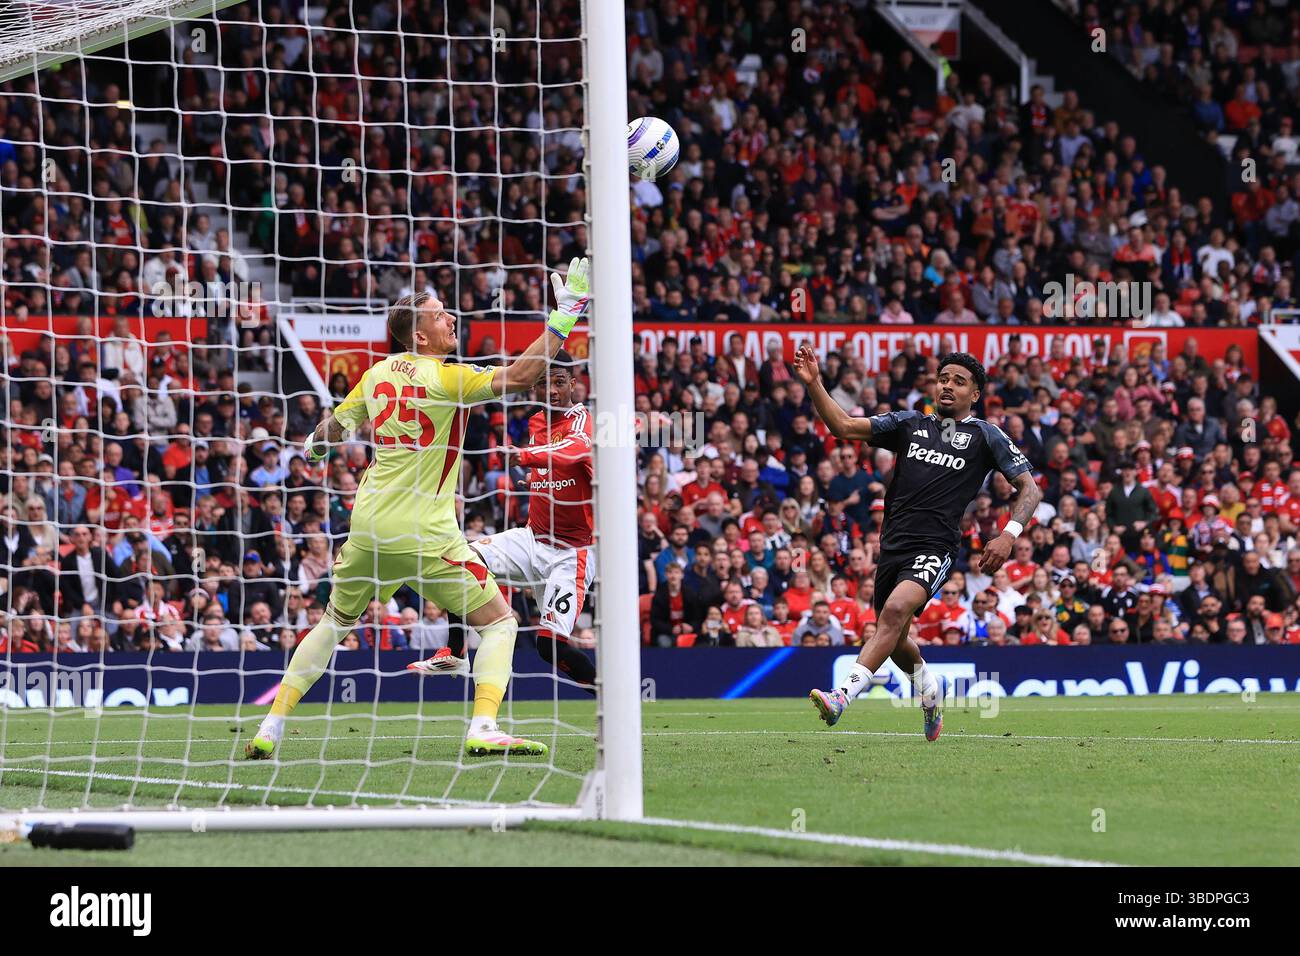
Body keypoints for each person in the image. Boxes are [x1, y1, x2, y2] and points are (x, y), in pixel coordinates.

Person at [246, 258, 592, 759]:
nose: (451, 318)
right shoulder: (445, 378)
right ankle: (484, 726)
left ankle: (271, 726)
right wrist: (566, 315)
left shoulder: (376, 373)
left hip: (367, 525)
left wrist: (313, 447)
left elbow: (330, 432)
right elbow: (523, 376)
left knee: (332, 624)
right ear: (421, 337)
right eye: (439, 315)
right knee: (500, 623)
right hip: (423, 528)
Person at [795, 347, 1041, 740]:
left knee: (893, 611)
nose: (948, 386)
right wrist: (814, 385)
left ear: (975, 394)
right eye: (944, 378)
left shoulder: (984, 436)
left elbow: (1030, 488)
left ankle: (841, 696)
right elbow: (842, 426)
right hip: (892, 547)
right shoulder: (909, 424)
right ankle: (930, 692)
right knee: (894, 638)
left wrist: (1008, 534)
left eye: (959, 382)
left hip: (937, 546)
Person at [409, 351, 597, 693]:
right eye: (542, 384)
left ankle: (607, 693)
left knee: (548, 647)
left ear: (573, 384)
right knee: (461, 559)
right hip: (532, 539)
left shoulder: (583, 420)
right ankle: (454, 650)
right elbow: (558, 469)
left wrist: (524, 457)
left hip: (573, 554)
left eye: (558, 382)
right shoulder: (538, 422)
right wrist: (538, 480)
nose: (551, 391)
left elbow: (575, 452)